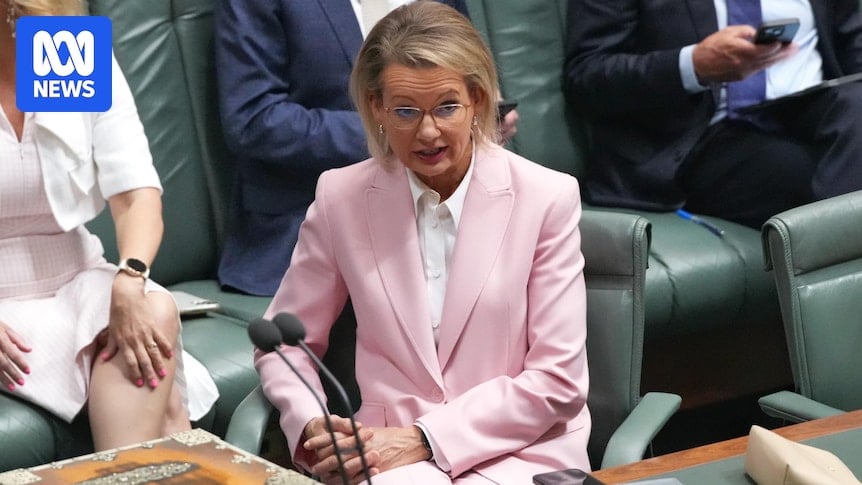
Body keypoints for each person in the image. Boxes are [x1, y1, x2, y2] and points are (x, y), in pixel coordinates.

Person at [256, 3, 590, 484]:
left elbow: (558, 381)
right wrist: (313, 423)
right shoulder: (341, 198)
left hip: (520, 454)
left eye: (447, 107)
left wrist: (425, 437)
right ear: (377, 107)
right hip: (387, 460)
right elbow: (284, 343)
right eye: (406, 111)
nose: (428, 131)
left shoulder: (545, 197)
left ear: (477, 99)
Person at [0, 0, 216, 451]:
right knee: (168, 412)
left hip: (75, 279)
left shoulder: (63, 51)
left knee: (150, 310)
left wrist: (131, 277)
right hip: (7, 309)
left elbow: (136, 194)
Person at [214, 0, 518, 296]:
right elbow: (253, 119)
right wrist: (398, 129)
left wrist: (477, 115)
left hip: (458, 218)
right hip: (314, 229)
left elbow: (469, 75)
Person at [565, 0, 862, 228]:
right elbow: (587, 75)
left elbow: (853, 44)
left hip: (814, 111)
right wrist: (693, 66)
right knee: (813, 174)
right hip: (700, 137)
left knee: (856, 104)